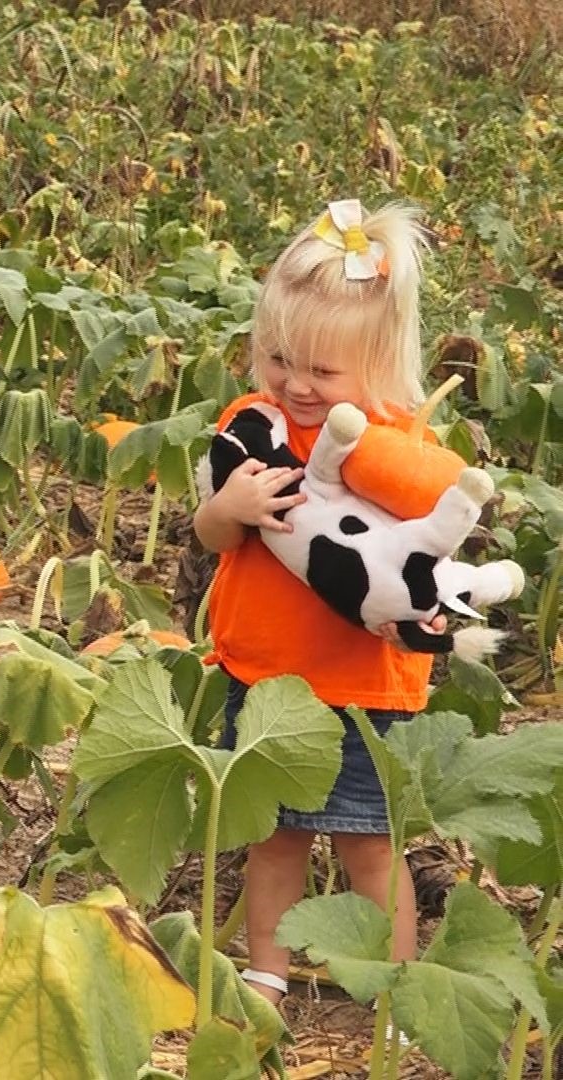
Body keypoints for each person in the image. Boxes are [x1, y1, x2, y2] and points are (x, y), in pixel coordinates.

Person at [192, 198, 443, 1008]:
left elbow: (425, 561)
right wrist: (226, 509)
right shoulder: (252, 431)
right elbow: (211, 536)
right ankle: (267, 974)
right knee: (273, 836)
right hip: (266, 677)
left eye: (322, 372)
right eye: (278, 358)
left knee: (370, 847)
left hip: (365, 692)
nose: (295, 384)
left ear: (378, 365)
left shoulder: (401, 453)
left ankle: (391, 988)